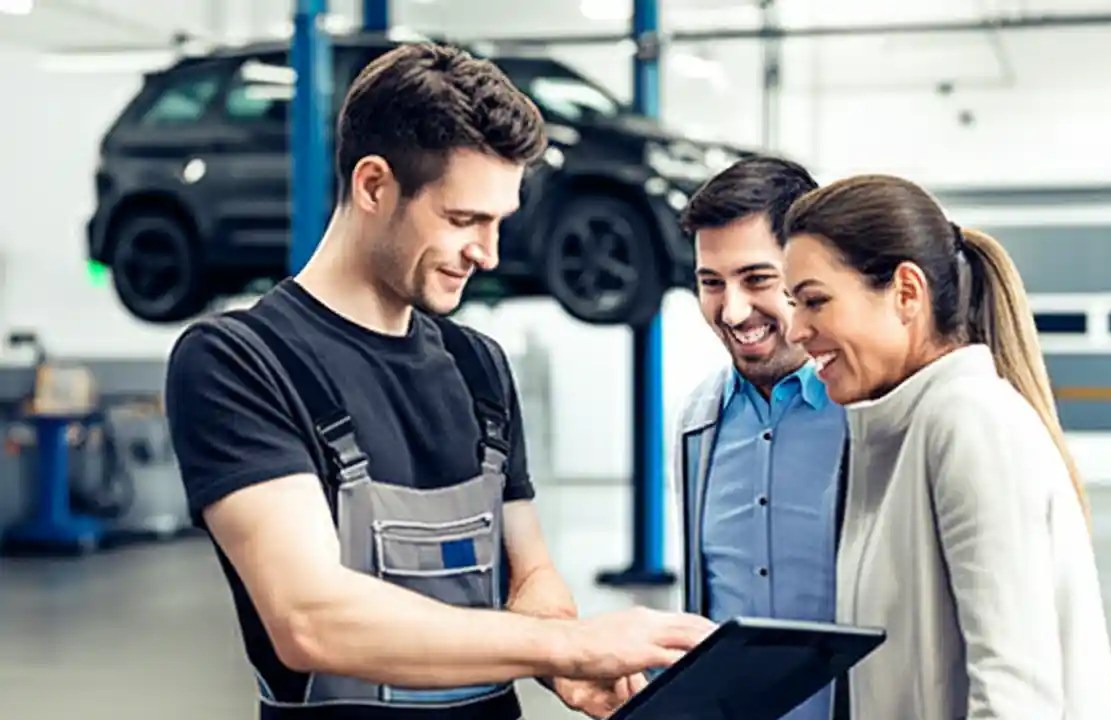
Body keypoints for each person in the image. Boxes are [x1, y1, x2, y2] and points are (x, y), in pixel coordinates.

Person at [164, 43, 714, 720]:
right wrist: (566, 647)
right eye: (463, 220)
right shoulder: (240, 362)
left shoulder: (479, 365)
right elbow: (310, 619)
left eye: (498, 223)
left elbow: (530, 570)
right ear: (373, 186)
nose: (488, 253)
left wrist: (562, 657)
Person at [780, 173, 1111, 719]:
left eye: (814, 301)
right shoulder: (896, 430)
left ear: (906, 293)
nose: (796, 329)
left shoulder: (970, 422)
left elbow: (1016, 698)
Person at [671, 157, 851, 720]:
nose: (733, 309)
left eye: (757, 279)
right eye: (711, 283)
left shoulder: (869, 416)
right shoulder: (698, 423)